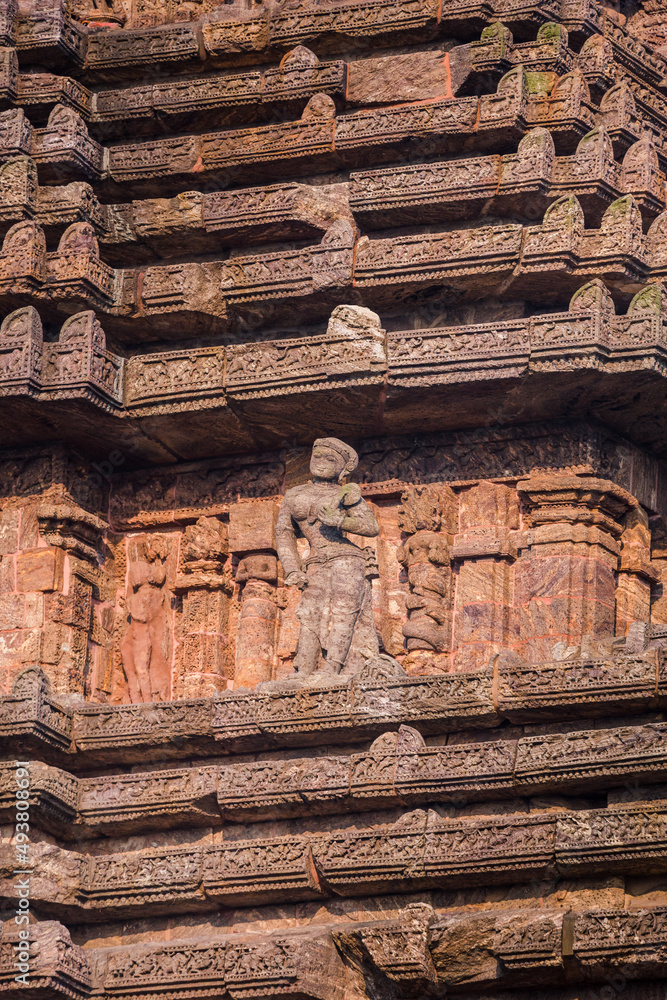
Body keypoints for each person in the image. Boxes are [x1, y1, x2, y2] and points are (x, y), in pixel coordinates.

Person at [276, 437, 380, 676]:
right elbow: (284, 532)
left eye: (330, 459)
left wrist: (340, 520)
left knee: (345, 612)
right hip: (315, 562)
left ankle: (333, 668)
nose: (322, 462)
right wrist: (292, 568)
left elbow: (371, 526)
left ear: (343, 469)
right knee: (309, 613)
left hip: (347, 558)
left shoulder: (345, 492)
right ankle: (305, 669)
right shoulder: (294, 495)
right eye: (317, 457)